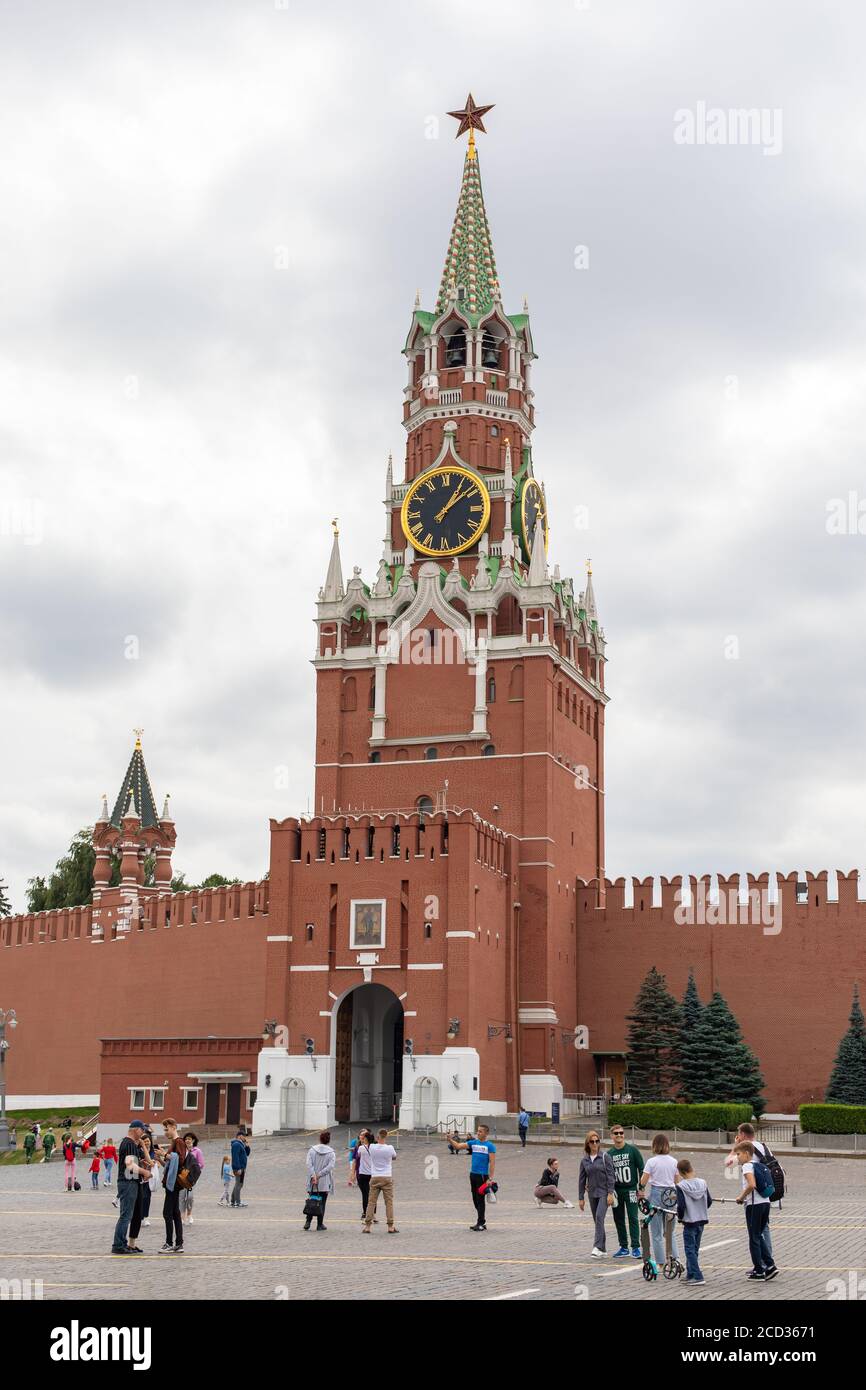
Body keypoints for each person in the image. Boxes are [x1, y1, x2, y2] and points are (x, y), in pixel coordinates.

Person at [725, 1122, 776, 1269]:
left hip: (753, 1197)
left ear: (741, 1135)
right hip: (766, 1194)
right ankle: (768, 1261)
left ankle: (761, 1264)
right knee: (763, 1229)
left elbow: (728, 1164)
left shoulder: (745, 1151)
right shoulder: (763, 1146)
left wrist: (735, 1147)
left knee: (756, 1234)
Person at [734, 1141, 778, 1282]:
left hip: (754, 1205)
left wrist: (741, 1197)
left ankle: (759, 1270)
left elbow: (752, 1185)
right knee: (759, 1235)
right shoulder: (760, 1165)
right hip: (765, 1203)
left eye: (738, 1154)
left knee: (754, 1237)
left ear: (747, 1153)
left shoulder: (747, 1166)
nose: (737, 1157)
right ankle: (770, 1265)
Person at [638, 1134, 681, 1270]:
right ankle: (675, 1259)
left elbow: (643, 1180)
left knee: (656, 1233)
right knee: (670, 1231)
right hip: (671, 1195)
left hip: (657, 1194)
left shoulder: (652, 1162)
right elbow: (677, 1181)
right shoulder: (674, 1161)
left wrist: (641, 1191)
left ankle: (661, 1263)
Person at [447, 1123, 496, 1232]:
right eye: (477, 1131)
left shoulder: (490, 1146)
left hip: (483, 1176)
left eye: (480, 1131)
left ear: (486, 1133)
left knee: (480, 1199)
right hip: (473, 1175)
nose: (478, 1133)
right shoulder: (474, 1143)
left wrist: (490, 1178)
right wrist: (450, 1139)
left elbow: (492, 1163)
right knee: (475, 1199)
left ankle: (480, 1222)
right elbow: (458, 1146)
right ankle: (481, 1220)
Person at [608, 1123, 645, 1259]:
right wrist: (609, 1192)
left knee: (633, 1218)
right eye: (616, 1133)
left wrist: (641, 1188)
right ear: (611, 1136)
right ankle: (623, 1247)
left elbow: (642, 1169)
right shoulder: (609, 1154)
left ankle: (635, 1247)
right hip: (616, 1191)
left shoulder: (632, 1150)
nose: (619, 1135)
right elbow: (606, 1174)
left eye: (621, 1133)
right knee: (618, 1219)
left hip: (630, 1189)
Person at [111, 1120, 147, 1255]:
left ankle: (123, 1244)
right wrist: (145, 1172)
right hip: (128, 1182)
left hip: (130, 1182)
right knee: (126, 1216)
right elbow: (130, 1166)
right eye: (142, 1130)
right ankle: (119, 1245)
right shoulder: (129, 1143)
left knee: (128, 1215)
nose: (143, 1133)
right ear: (136, 1129)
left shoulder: (128, 1143)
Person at [675, 1157, 713, 1285]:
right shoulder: (703, 1182)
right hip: (701, 1219)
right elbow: (709, 1201)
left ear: (681, 1173)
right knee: (695, 1248)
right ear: (691, 1168)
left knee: (689, 1249)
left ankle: (698, 1276)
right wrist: (701, 1209)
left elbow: (681, 1206)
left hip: (689, 1221)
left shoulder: (681, 1186)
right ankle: (690, 1273)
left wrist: (680, 1217)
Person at [578, 1131, 616, 1256]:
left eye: (597, 1141)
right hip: (592, 1194)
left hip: (604, 1192)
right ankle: (603, 1249)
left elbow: (611, 1176)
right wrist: (581, 1198)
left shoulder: (605, 1157)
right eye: (592, 1141)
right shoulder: (584, 1160)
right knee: (597, 1220)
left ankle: (597, 1247)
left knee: (600, 1217)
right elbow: (582, 1179)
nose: (595, 1143)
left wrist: (610, 1193)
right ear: (587, 1144)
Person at [362, 1128, 399, 1234]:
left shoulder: (372, 1147)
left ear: (377, 1137)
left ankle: (368, 1226)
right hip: (386, 1176)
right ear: (386, 1136)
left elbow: (368, 1138)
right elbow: (394, 1157)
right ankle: (390, 1226)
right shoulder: (390, 1148)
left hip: (375, 1177)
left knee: (371, 1202)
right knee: (389, 1203)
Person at [159, 1117, 186, 1253]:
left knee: (167, 1213)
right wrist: (162, 1157)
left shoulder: (179, 1142)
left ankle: (169, 1243)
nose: (165, 1132)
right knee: (175, 1213)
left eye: (166, 1129)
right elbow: (171, 1163)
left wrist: (166, 1154)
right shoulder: (174, 1142)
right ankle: (179, 1243)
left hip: (173, 1183)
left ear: (174, 1127)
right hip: (173, 1183)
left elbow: (180, 1160)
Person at [305, 1130, 337, 1231]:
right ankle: (320, 1224)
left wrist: (314, 1175)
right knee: (322, 1202)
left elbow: (309, 1164)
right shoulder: (331, 1152)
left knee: (312, 1200)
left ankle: (308, 1221)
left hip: (312, 1180)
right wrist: (319, 1175)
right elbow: (330, 1167)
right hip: (324, 1180)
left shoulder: (312, 1150)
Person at [350, 1129, 375, 1222]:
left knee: (369, 1194)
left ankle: (369, 1213)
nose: (362, 1137)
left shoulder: (363, 1148)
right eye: (361, 1135)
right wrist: (352, 1174)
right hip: (361, 1173)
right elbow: (355, 1161)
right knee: (367, 1194)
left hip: (366, 1173)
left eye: (364, 1136)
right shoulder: (358, 1147)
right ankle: (368, 1213)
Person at [180, 1132, 204, 1224]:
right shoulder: (181, 1150)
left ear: (193, 1140)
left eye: (189, 1139)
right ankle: (182, 1216)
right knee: (181, 1197)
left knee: (190, 1197)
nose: (187, 1140)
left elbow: (201, 1164)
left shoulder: (197, 1151)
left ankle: (189, 1214)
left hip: (192, 1177)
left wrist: (192, 1169)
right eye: (185, 1139)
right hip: (181, 1177)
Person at [230, 1127, 249, 1208]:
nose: (245, 1137)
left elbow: (246, 1154)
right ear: (240, 1136)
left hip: (242, 1167)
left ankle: (233, 1201)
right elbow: (235, 1157)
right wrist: (237, 1168)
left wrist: (247, 1146)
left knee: (239, 1184)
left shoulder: (240, 1144)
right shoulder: (236, 1144)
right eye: (244, 1136)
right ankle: (237, 1202)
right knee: (239, 1184)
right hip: (239, 1168)